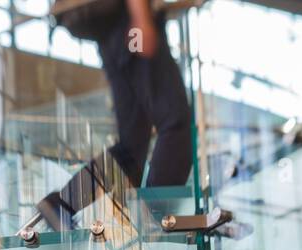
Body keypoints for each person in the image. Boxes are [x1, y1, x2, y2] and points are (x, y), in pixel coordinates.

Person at [39, 0, 192, 231]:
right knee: (175, 123)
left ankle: (62, 204)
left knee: (130, 148)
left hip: (111, 37)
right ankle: (156, 219)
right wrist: (140, 17)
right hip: (130, 25)